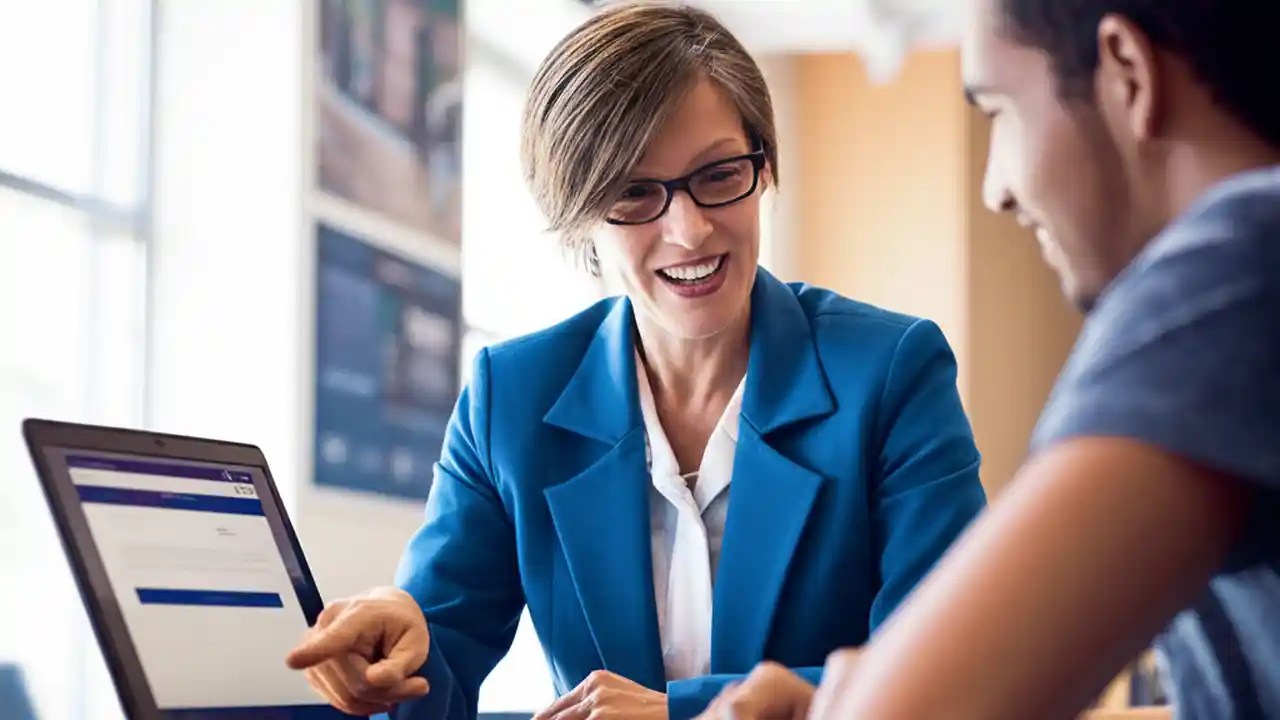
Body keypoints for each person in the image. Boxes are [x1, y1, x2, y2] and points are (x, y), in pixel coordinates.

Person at [284, 3, 987, 719]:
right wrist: (396, 650)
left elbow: (950, 666)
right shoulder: (511, 398)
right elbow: (440, 650)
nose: (688, 230)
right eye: (633, 193)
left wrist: (681, 715)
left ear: (764, 167)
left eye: (718, 175)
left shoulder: (891, 372)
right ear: (580, 214)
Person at [697, 0, 1280, 718]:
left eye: (999, 110)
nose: (996, 188)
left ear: (1126, 71)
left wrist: (856, 694)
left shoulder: (1241, 263)